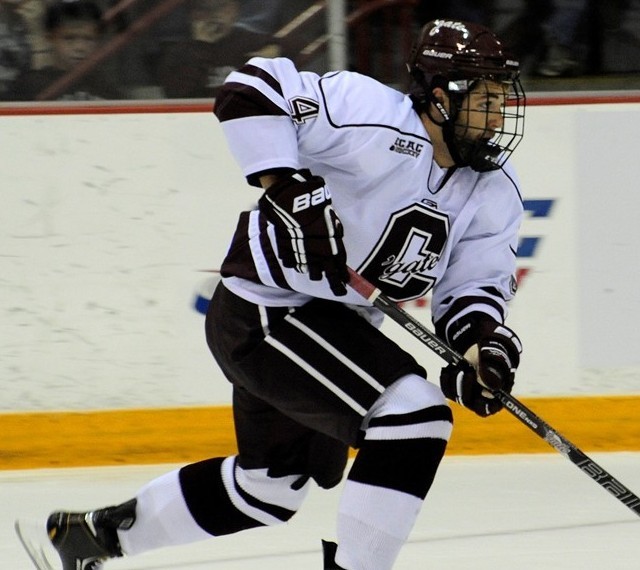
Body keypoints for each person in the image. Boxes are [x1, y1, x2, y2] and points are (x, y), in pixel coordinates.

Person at [26, 18, 526, 570]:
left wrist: (480, 350)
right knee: (416, 414)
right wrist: (286, 188)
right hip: (265, 307)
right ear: (440, 98)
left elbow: (472, 288)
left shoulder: (493, 191)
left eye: (502, 100)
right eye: (486, 100)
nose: (498, 116)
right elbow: (250, 88)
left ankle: (93, 536)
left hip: (337, 326)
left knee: (268, 490)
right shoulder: (371, 114)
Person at [156, 0, 279, 98]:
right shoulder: (178, 52)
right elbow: (179, 95)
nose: (215, 15)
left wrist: (277, 51)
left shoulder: (253, 43)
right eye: (205, 8)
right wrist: (202, 46)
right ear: (193, 14)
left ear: (235, 10)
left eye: (222, 7)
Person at [10, 0, 120, 100]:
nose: (80, 47)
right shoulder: (30, 85)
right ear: (50, 39)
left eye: (89, 39)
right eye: (69, 38)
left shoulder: (105, 87)